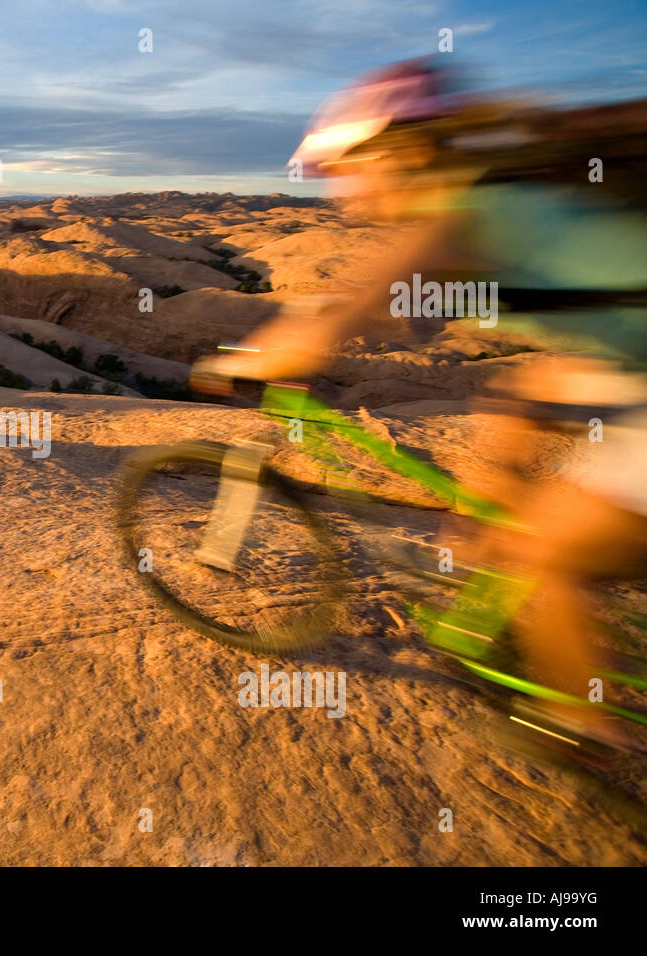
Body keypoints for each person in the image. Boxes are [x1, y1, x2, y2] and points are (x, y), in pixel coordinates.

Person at [192, 59, 647, 751]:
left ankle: (579, 722)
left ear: (399, 151)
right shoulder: (517, 194)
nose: (344, 192)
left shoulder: (464, 212)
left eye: (349, 168)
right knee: (514, 406)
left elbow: (334, 324)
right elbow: (582, 344)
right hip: (628, 370)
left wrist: (239, 360)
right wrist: (490, 496)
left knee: (540, 555)